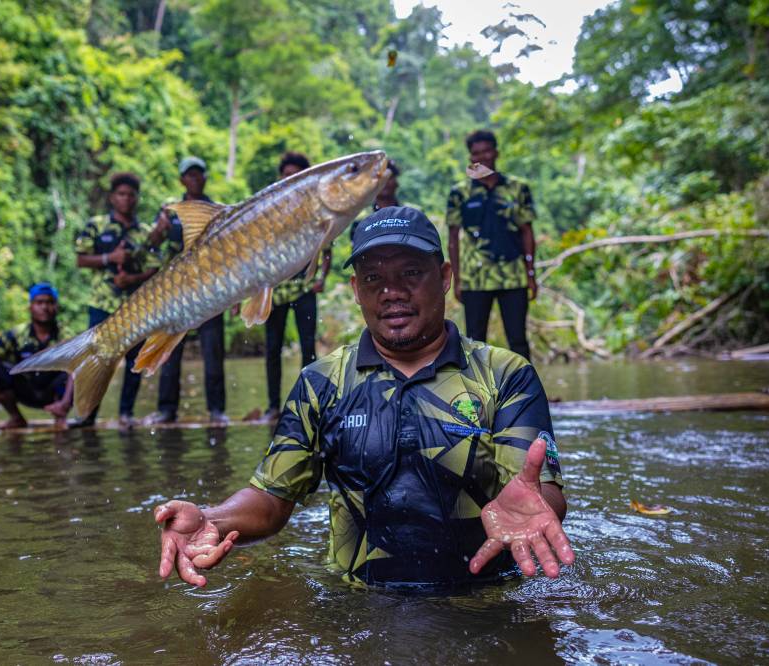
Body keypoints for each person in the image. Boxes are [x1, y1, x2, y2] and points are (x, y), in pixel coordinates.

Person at [153, 206, 573, 590]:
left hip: (483, 602)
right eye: (373, 279)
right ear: (356, 288)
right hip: (358, 604)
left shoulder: (504, 374)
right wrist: (211, 518)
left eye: (411, 273)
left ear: (445, 277)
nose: (392, 291)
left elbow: (538, 492)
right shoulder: (321, 382)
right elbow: (271, 499)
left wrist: (540, 505)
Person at [75, 172, 173, 427]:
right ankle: (87, 415)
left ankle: (126, 414)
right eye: (121, 194)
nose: (126, 200)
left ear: (137, 199)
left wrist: (132, 279)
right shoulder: (96, 225)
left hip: (135, 307)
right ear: (112, 197)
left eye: (131, 195)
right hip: (101, 303)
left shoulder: (146, 232)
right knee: (97, 357)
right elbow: (81, 259)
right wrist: (110, 259)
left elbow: (154, 268)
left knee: (134, 359)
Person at [143, 156, 228, 425]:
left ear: (204, 177)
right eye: (189, 175)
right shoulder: (169, 211)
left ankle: (217, 410)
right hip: (175, 293)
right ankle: (167, 409)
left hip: (210, 291)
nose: (194, 179)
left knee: (213, 352)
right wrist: (158, 230)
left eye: (198, 174)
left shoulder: (216, 210)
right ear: (182, 180)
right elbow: (152, 245)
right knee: (170, 352)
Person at [447, 130, 537, 360]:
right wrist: (457, 279)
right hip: (475, 278)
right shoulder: (460, 192)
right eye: (476, 153)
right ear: (470, 157)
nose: (482, 157)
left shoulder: (517, 188)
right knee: (475, 342)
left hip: (513, 275)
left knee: (518, 339)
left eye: (486, 151)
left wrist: (530, 273)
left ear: (495, 152)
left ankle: (527, 394)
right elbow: (453, 239)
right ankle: (479, 395)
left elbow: (527, 231)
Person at [260, 151, 332, 422]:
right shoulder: (269, 209)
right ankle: (272, 406)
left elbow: (327, 248)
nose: (290, 179)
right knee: (272, 349)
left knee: (308, 348)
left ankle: (309, 404)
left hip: (304, 288)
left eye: (296, 175)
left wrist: (321, 278)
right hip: (275, 291)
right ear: (281, 177)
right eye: (286, 175)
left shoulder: (316, 208)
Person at [0, 283, 74, 429]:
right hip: (26, 390)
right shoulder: (17, 334)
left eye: (49, 302)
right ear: (30, 306)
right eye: (39, 302)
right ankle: (16, 418)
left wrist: (65, 403)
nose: (44, 307)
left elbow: (78, 368)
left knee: (77, 367)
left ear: (56, 306)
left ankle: (61, 416)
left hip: (55, 392)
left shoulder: (66, 336)